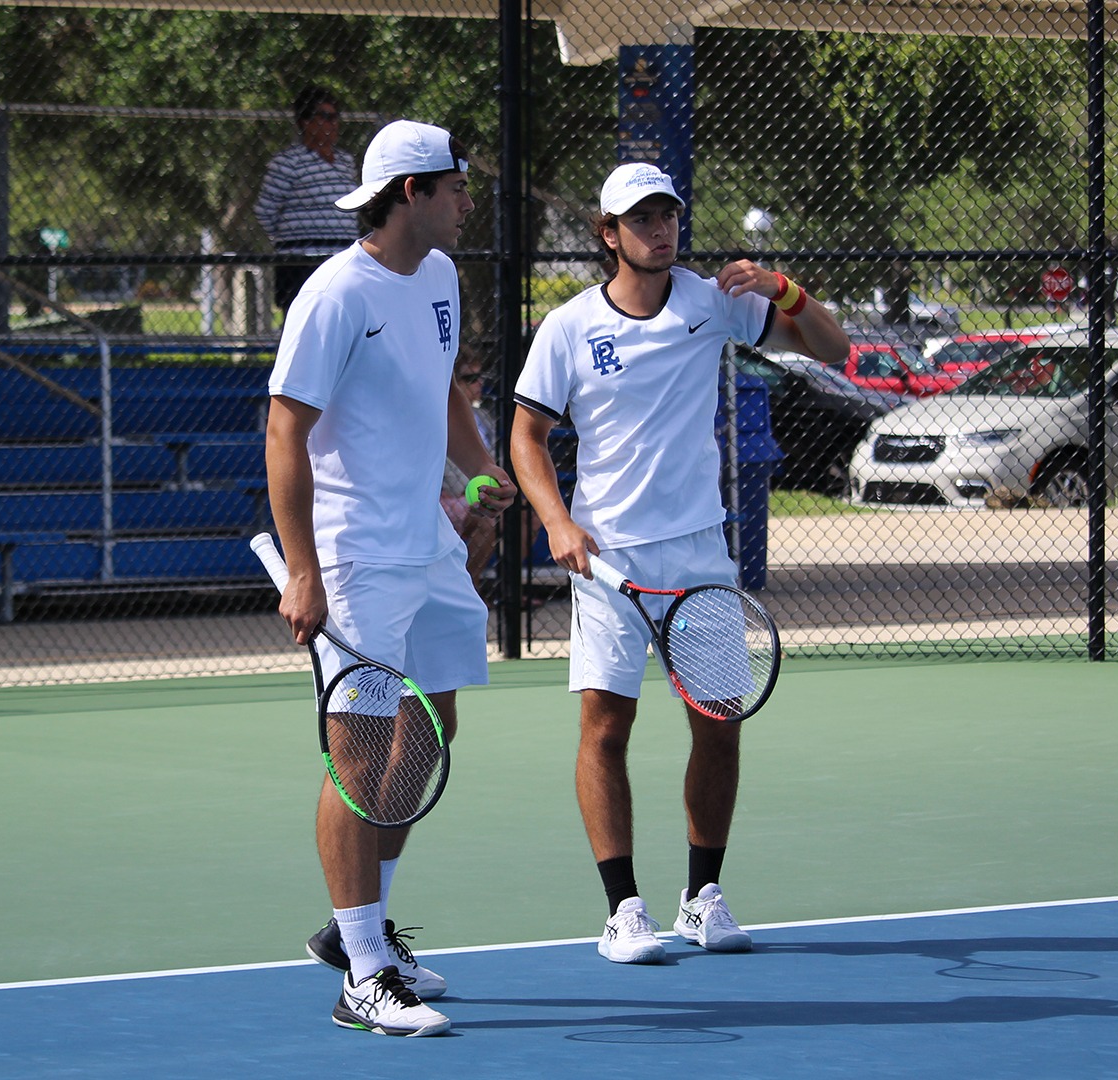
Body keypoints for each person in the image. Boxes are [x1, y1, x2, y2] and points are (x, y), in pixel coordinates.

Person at [508, 162, 847, 964]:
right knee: (606, 729)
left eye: (668, 215)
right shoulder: (567, 329)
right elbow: (527, 437)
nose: (660, 229)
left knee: (718, 727)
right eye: (641, 218)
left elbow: (834, 349)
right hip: (607, 559)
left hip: (699, 553)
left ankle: (703, 898)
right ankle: (623, 908)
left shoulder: (713, 301)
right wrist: (557, 521)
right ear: (608, 233)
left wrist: (782, 288)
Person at [265, 119, 513, 1036]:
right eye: (455, 185)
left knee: (434, 725)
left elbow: (444, 387)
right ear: (412, 190)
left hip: (428, 543)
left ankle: (354, 929)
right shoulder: (334, 295)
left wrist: (477, 469)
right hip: (356, 554)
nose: (467, 198)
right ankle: (364, 974)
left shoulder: (440, 277)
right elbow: (284, 428)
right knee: (358, 753)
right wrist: (302, 569)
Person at [254, 87, 359, 312]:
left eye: (335, 117)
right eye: (325, 117)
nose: (333, 124)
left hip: (342, 258)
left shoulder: (345, 162)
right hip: (300, 261)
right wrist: (293, 239)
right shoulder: (287, 162)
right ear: (305, 122)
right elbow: (265, 210)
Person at [440, 347, 500, 589]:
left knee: (528, 518)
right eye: (470, 378)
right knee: (486, 524)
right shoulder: (439, 414)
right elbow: (449, 480)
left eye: (480, 377)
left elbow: (491, 460)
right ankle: (468, 587)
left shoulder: (483, 416)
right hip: (446, 499)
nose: (479, 383)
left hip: (476, 494)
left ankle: (502, 589)